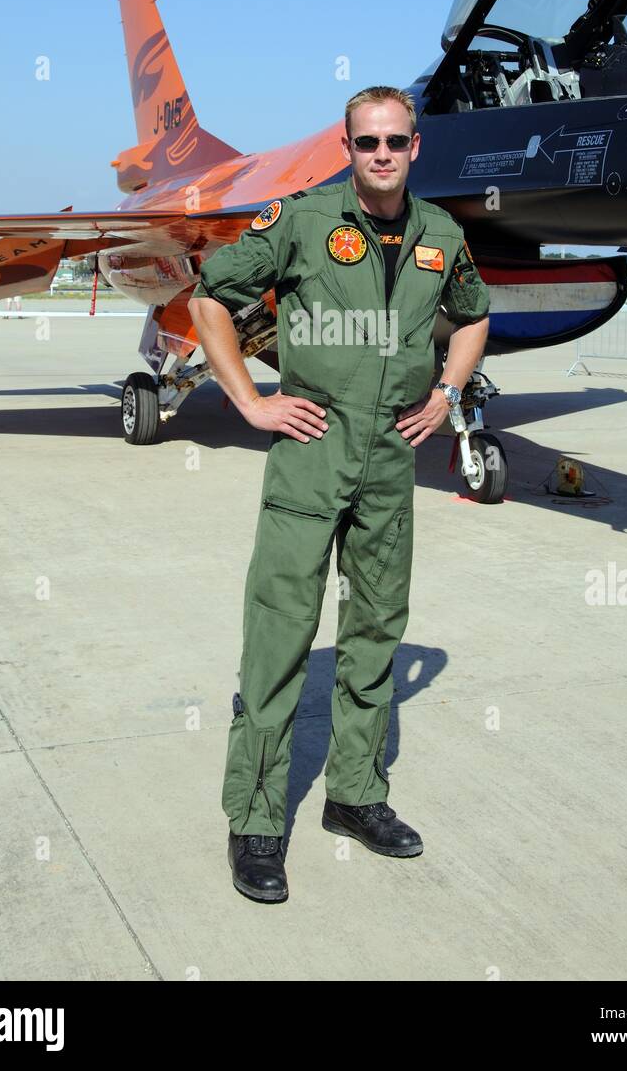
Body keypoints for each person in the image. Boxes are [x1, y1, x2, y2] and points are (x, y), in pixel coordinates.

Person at [187, 85, 491, 903]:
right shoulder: (299, 221)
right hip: (311, 452)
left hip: (392, 458)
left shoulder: (441, 235)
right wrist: (250, 400)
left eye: (395, 141)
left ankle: (356, 797)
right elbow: (210, 297)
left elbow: (471, 315)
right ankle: (255, 821)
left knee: (376, 632)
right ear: (348, 149)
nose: (382, 155)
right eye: (366, 143)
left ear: (416, 147)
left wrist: (448, 392)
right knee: (280, 638)